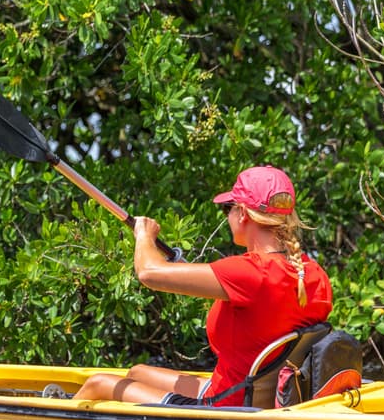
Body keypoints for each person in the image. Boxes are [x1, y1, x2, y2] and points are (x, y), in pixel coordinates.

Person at [73, 165, 333, 406]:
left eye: (228, 208)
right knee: (137, 372)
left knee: (98, 384)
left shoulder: (250, 271)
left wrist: (143, 234)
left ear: (243, 213)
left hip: (224, 406)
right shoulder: (313, 274)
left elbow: (148, 272)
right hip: (255, 395)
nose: (227, 216)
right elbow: (261, 309)